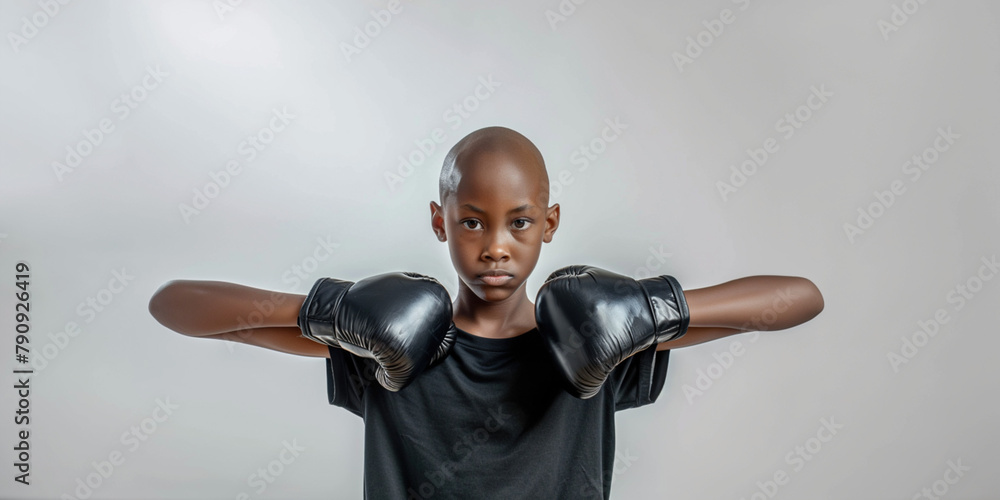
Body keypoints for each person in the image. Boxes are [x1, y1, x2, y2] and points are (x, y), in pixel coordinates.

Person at [148, 126, 824, 499]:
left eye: (519, 222)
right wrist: (334, 311)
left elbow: (797, 298)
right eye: (472, 222)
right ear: (439, 223)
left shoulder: (593, 339)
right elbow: (173, 305)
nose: (496, 246)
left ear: (550, 224)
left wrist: (651, 310)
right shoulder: (390, 347)